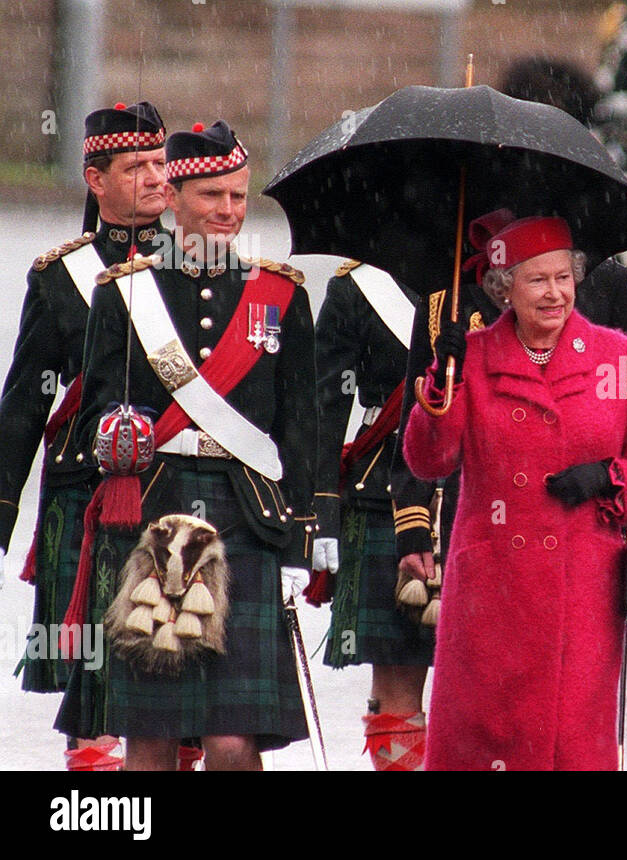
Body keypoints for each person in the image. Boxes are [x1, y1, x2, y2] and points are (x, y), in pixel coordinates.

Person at [56, 120, 316, 770]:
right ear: (171, 197)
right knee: (152, 737)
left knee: (232, 741)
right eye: (212, 197)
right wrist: (113, 435)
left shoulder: (280, 295)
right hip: (151, 519)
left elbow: (301, 429)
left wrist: (310, 533)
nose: (229, 211)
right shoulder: (127, 292)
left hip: (246, 516)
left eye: (238, 196)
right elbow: (87, 426)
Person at [402, 215, 627, 770]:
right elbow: (430, 461)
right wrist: (440, 379)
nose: (554, 293)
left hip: (584, 588)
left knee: (571, 743)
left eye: (563, 278)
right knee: (486, 743)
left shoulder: (617, 356)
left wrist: (607, 477)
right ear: (504, 288)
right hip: (491, 590)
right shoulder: (472, 357)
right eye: (536, 281)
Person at [0, 101, 168, 771]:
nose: (156, 178)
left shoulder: (206, 269)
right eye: (136, 167)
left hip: (174, 487)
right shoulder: (59, 276)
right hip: (84, 493)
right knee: (91, 689)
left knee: (174, 685)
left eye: (161, 163)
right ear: (95, 179)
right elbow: (23, 405)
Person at [312, 260, 433, 770]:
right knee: (397, 673)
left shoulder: (501, 274)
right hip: (383, 484)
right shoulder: (359, 286)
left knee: (490, 676)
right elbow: (322, 408)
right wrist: (319, 511)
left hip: (487, 482)